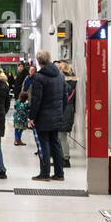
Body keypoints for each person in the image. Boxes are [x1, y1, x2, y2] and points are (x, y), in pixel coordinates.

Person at [26, 50, 67, 181]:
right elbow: (65, 97)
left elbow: (36, 100)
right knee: (55, 143)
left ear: (38, 62)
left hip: (43, 117)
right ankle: (59, 173)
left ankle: (44, 173)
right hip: (57, 114)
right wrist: (61, 111)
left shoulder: (39, 77)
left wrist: (31, 117)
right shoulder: (60, 75)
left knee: (44, 144)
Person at [58, 62, 78, 168]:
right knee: (61, 136)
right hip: (68, 110)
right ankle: (62, 157)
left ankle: (65, 158)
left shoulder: (66, 82)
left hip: (64, 110)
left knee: (62, 136)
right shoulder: (72, 81)